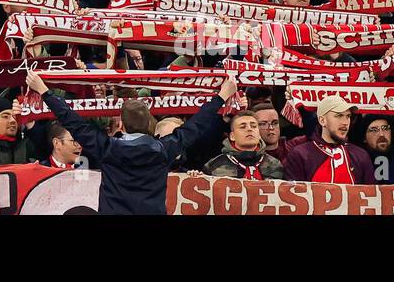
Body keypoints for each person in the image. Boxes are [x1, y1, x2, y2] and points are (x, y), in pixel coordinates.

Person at [26, 70, 235, 215]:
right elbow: (196, 125)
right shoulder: (165, 149)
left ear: (122, 126)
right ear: (150, 125)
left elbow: (72, 121)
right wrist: (222, 96)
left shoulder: (107, 148)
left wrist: (44, 91)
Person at [283, 96, 375, 183]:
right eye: (339, 115)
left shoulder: (361, 155)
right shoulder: (300, 155)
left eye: (348, 116)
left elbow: (371, 196)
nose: (345, 122)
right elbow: (294, 196)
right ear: (322, 120)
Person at [203, 111, 287, 179]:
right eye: (243, 127)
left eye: (253, 126)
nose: (249, 129)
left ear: (259, 133)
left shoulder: (275, 165)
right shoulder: (213, 165)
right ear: (232, 136)